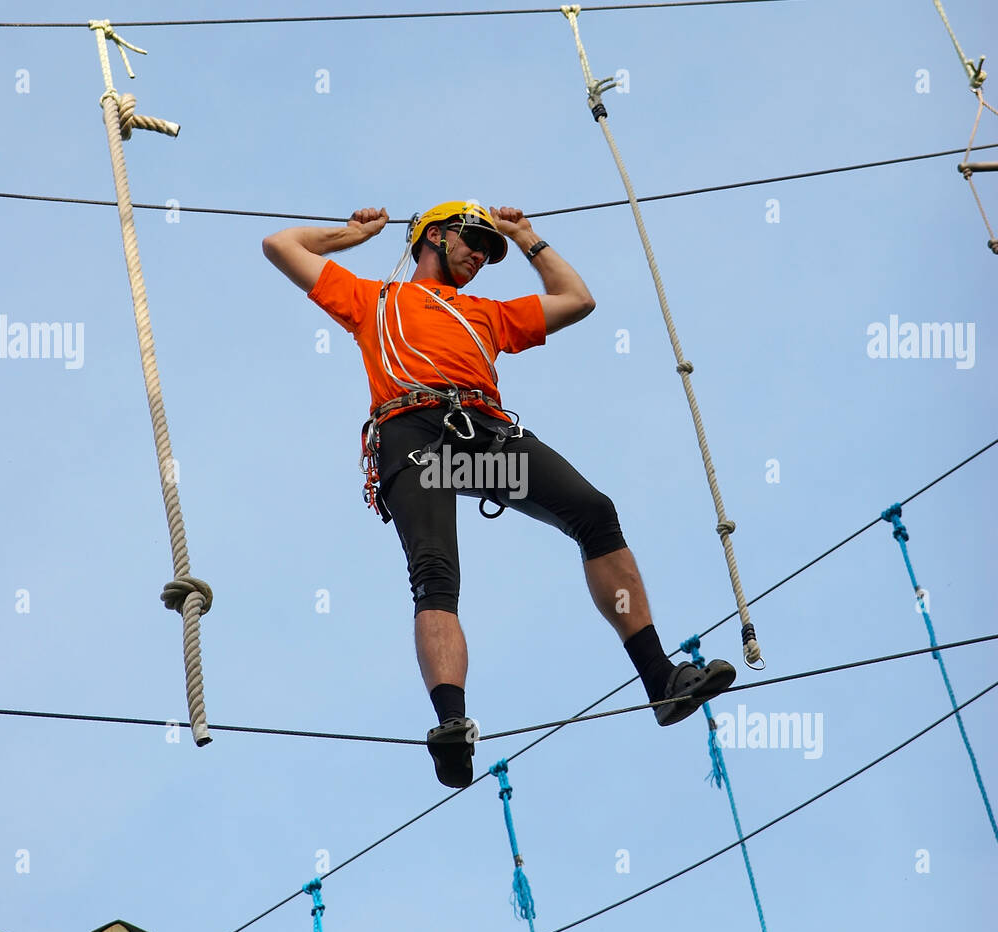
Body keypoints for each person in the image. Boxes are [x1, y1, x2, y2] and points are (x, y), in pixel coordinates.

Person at [263, 200, 735, 788]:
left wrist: (527, 238)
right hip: (414, 435)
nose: (482, 257)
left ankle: (660, 680)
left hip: (483, 436)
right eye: (473, 242)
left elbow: (578, 301)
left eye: (490, 252)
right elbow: (281, 246)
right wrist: (350, 236)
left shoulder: (487, 314)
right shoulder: (373, 299)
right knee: (435, 569)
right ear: (434, 236)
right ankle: (452, 726)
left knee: (593, 513)